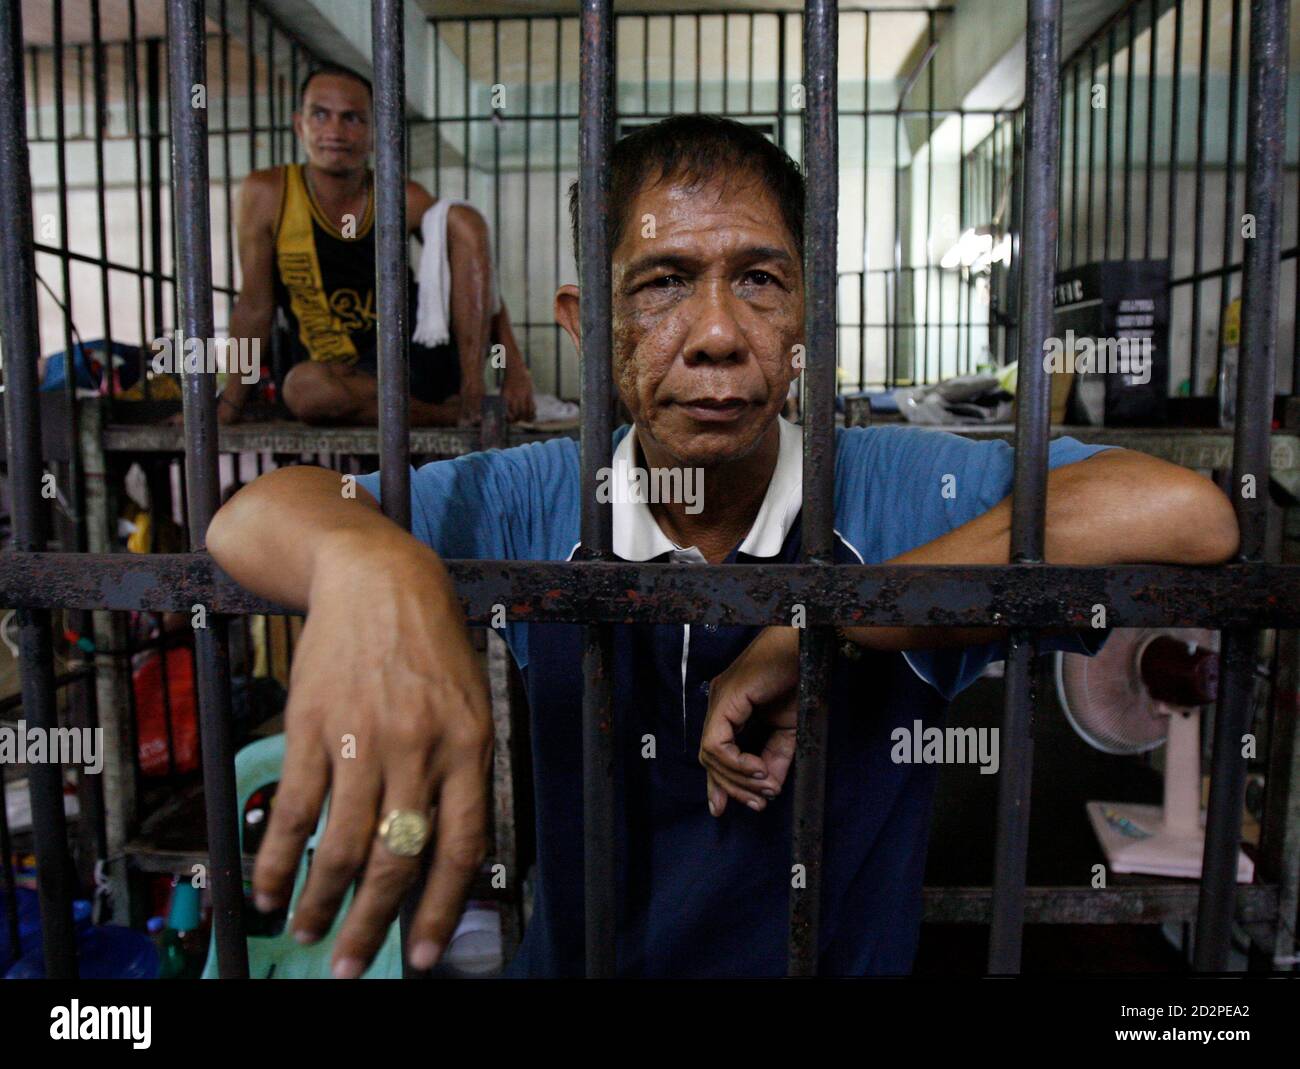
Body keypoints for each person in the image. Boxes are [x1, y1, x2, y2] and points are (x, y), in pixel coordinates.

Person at [206, 115, 1241, 977]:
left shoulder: (889, 491)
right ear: (588, 323)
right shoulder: (534, 495)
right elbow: (254, 518)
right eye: (660, 282)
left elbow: (1187, 512)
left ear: (804, 321)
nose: (713, 333)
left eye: (757, 279)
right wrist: (371, 567)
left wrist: (834, 616)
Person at [214, 64, 535, 427]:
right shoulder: (268, 193)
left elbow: (476, 275)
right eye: (321, 115)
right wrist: (230, 405)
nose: (335, 131)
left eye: (352, 118)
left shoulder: (400, 195)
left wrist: (514, 368)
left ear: (373, 133)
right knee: (304, 390)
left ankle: (472, 397)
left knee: (462, 219)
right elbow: (254, 306)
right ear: (299, 124)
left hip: (416, 362)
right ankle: (453, 416)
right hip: (337, 375)